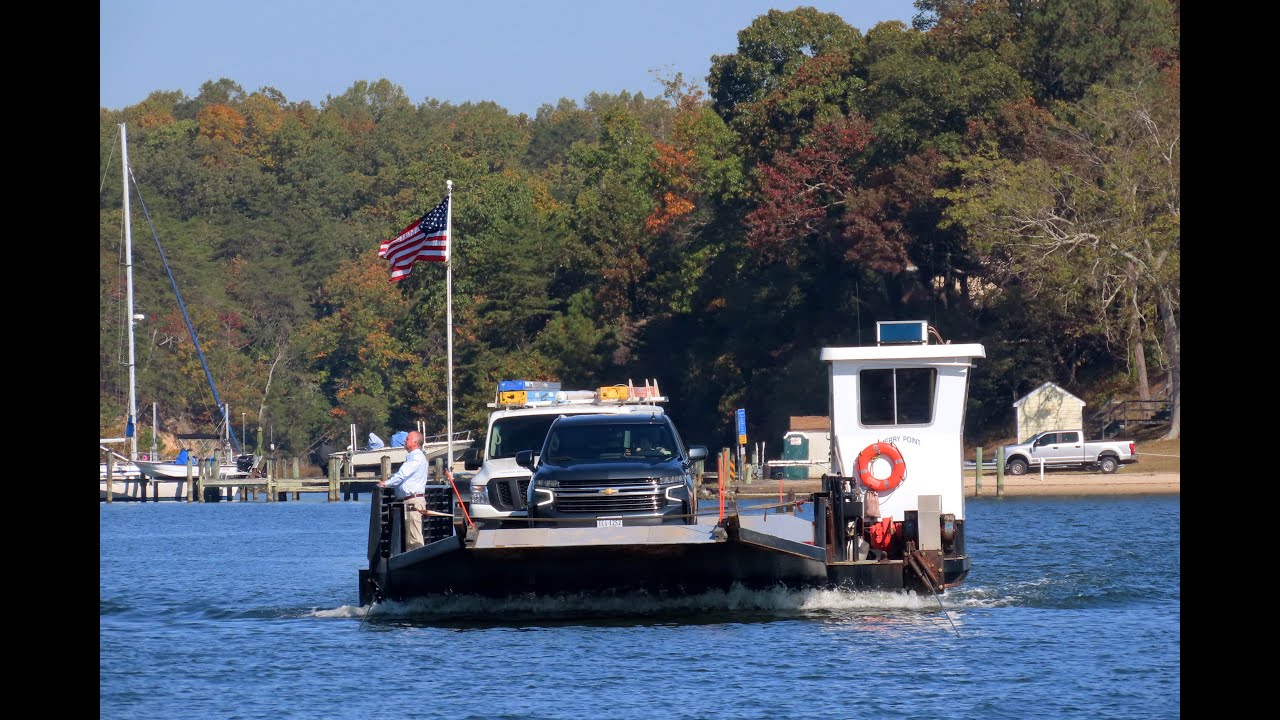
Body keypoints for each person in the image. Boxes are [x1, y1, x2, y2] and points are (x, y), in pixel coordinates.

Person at [377, 431, 428, 551]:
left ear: (415, 442)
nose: (405, 441)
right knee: (410, 539)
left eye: (408, 439)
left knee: (414, 539)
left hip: (413, 501)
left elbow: (402, 474)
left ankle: (417, 562)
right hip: (410, 501)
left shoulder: (416, 457)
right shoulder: (415, 457)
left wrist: (386, 483)